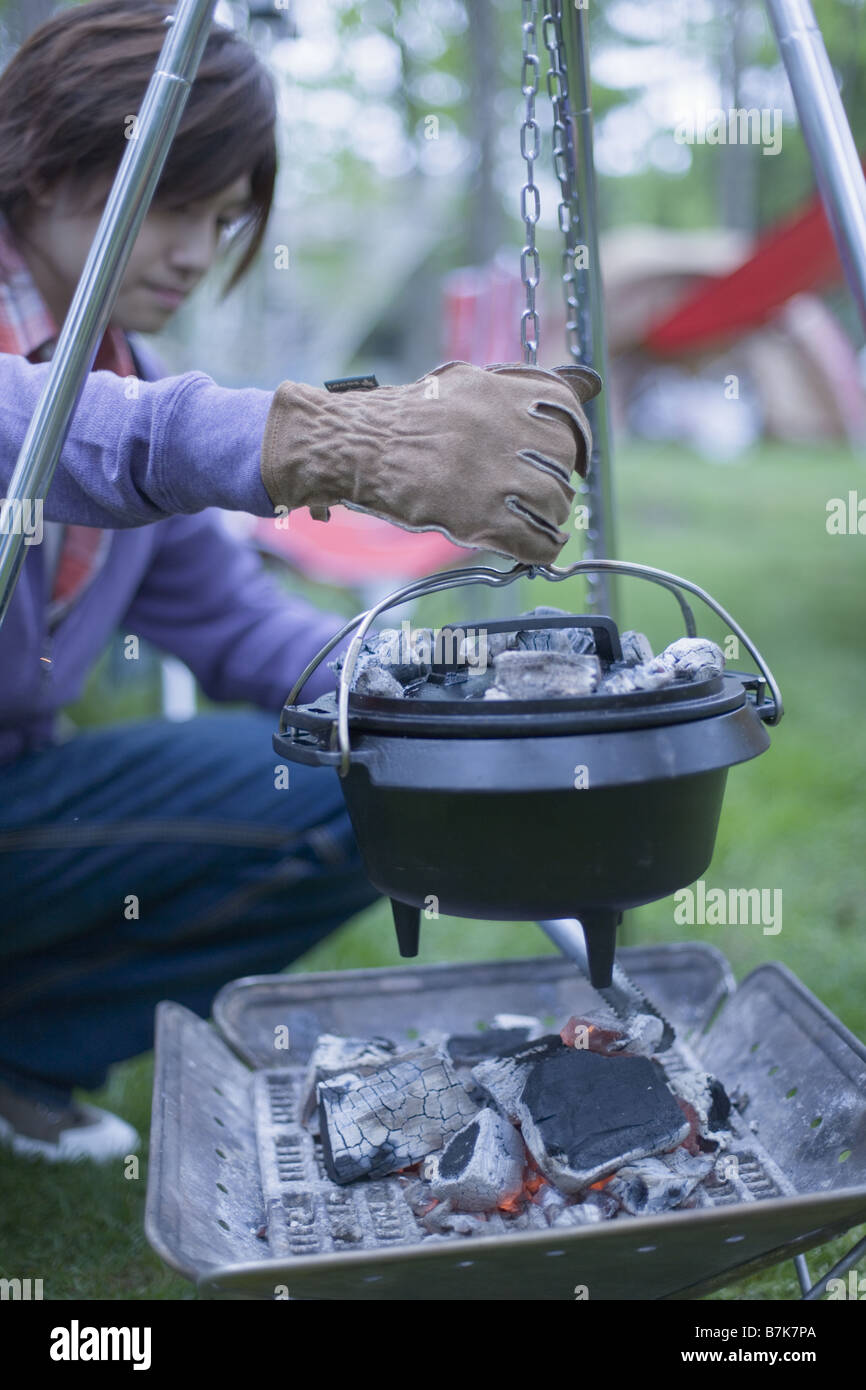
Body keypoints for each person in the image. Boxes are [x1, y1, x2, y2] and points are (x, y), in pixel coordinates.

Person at [0, 1, 598, 1161]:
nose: (194, 249)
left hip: (23, 795)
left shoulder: (127, 367)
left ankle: (25, 1048)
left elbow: (234, 626)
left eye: (223, 218)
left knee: (358, 773)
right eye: (176, 202)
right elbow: (38, 429)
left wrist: (449, 696)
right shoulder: (89, 394)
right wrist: (330, 440)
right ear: (45, 157)